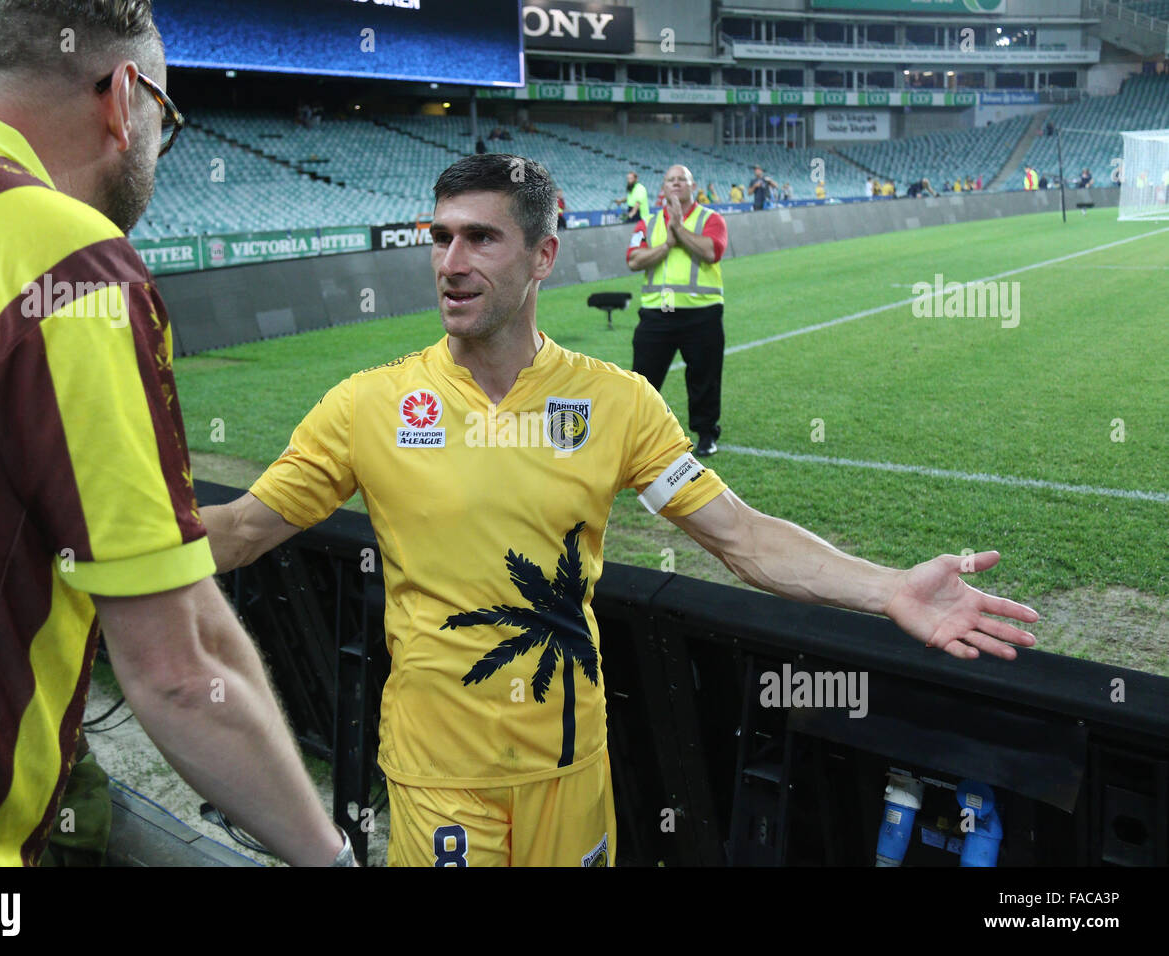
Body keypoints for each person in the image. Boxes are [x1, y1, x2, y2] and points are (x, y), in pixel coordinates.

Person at [202, 153, 1040, 868]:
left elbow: (742, 538)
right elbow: (241, 530)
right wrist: (97, 551)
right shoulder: (367, 405)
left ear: (544, 257)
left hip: (571, 765)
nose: (451, 261)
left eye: (482, 238)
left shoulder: (617, 403)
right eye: (440, 237)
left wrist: (887, 587)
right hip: (436, 774)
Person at [0, 0, 345, 867]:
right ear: (125, 96)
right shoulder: (65, 260)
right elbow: (178, 670)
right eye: (166, 115)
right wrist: (332, 858)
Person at [627, 164, 728, 458]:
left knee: (705, 377)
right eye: (670, 180)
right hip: (657, 315)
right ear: (663, 187)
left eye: (682, 179)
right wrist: (668, 244)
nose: (676, 184)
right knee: (643, 380)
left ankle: (706, 433)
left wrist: (678, 229)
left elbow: (711, 252)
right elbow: (634, 260)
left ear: (692, 185)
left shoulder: (711, 218)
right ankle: (639, 436)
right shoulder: (647, 222)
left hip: (702, 312)